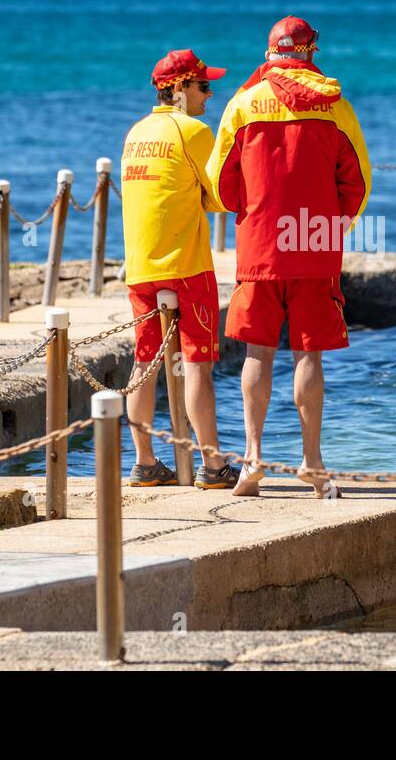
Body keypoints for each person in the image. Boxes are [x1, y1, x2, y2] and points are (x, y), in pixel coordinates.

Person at [206, 16, 371, 498]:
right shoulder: (335, 105)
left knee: (257, 351)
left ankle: (253, 460)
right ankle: (312, 462)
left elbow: (220, 183)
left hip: (259, 245)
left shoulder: (242, 103)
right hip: (314, 244)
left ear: (271, 52)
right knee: (309, 353)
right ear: (310, 52)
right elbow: (357, 183)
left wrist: (252, 210)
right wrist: (333, 228)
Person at [120, 48, 239, 490]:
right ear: (178, 90)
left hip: (140, 267)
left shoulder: (136, 133)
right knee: (197, 365)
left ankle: (145, 463)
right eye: (203, 86)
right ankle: (213, 467)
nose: (210, 95)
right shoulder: (194, 130)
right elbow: (224, 197)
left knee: (145, 362)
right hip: (186, 267)